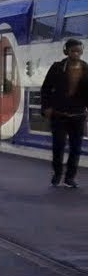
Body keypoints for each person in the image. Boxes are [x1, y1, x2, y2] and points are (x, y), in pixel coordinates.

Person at [40, 37, 88, 188]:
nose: (76, 54)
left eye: (79, 51)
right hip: (59, 114)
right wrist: (46, 107)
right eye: (73, 51)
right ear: (66, 51)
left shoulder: (86, 68)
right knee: (58, 147)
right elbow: (46, 88)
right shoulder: (57, 67)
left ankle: (70, 178)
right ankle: (57, 174)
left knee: (76, 148)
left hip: (78, 116)